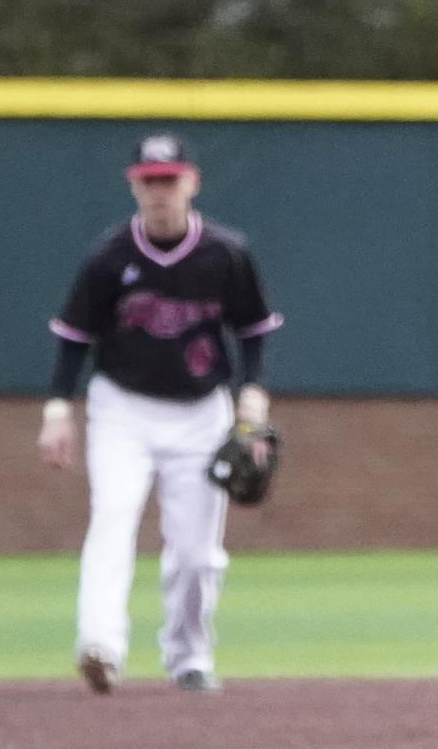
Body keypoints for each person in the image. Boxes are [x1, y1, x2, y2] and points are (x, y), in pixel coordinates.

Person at [36, 133, 282, 695]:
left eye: (168, 180)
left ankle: (189, 655)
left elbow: (254, 332)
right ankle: (100, 645)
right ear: (134, 185)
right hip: (122, 408)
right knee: (113, 519)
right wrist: (57, 408)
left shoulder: (226, 252)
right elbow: (74, 338)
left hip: (201, 412)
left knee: (197, 552)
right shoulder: (109, 256)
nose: (159, 192)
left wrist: (254, 397)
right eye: (149, 181)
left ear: (191, 182)